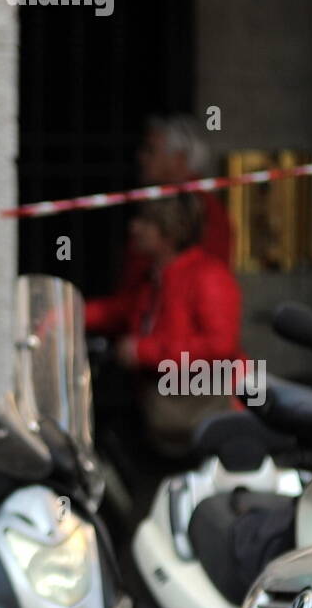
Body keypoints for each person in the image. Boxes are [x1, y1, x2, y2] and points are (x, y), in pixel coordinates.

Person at [86, 193, 247, 489]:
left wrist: (143, 351)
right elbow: (118, 310)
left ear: (169, 231)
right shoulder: (155, 279)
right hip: (167, 413)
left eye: (145, 221)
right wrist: (64, 314)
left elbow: (221, 346)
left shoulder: (207, 276)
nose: (134, 228)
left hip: (204, 413)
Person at [110, 114, 232, 302]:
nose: (141, 157)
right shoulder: (164, 198)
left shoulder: (202, 209)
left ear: (179, 158)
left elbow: (195, 285)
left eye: (151, 150)